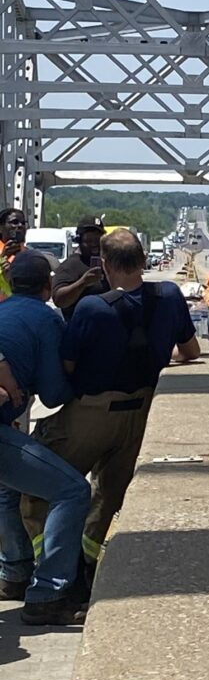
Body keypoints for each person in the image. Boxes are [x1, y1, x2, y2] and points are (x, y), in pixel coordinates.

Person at [22, 230, 200, 574]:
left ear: (104, 265)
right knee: (106, 497)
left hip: (93, 413)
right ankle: (87, 565)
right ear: (144, 261)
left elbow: (68, 367)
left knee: (36, 488)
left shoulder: (91, 308)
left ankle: (48, 568)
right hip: (143, 412)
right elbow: (190, 352)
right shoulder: (170, 295)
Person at [0, 252, 91, 625]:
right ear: (48, 287)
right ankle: (48, 593)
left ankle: (15, 573)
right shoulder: (45, 319)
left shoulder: (2, 312)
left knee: (7, 490)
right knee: (72, 491)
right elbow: (54, 394)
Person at [51, 217, 109, 320]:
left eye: (98, 239)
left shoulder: (107, 262)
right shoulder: (70, 265)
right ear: (79, 239)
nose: (95, 244)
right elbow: (59, 299)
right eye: (90, 240)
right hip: (80, 329)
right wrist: (83, 283)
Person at [0, 207, 28, 300]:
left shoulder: (29, 255)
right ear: (1, 227)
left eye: (23, 223)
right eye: (14, 222)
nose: (20, 226)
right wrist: (2, 258)